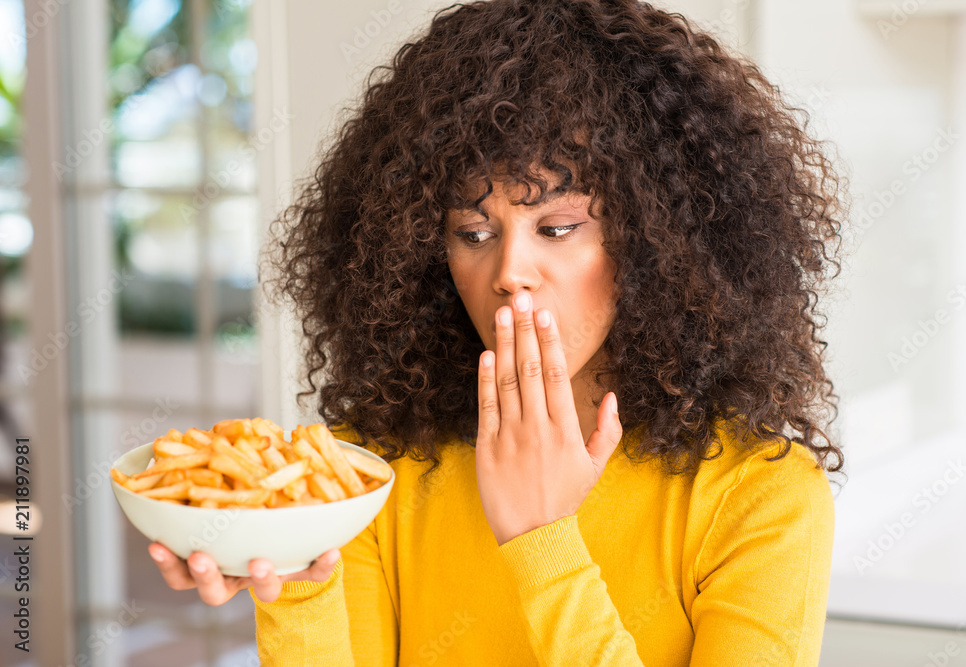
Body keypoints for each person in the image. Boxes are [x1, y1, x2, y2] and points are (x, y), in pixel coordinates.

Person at [148, 0, 849, 664]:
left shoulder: (761, 497)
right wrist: (292, 573)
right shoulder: (368, 472)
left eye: (558, 228)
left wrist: (543, 543)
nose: (511, 271)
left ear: (662, 240)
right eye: (474, 233)